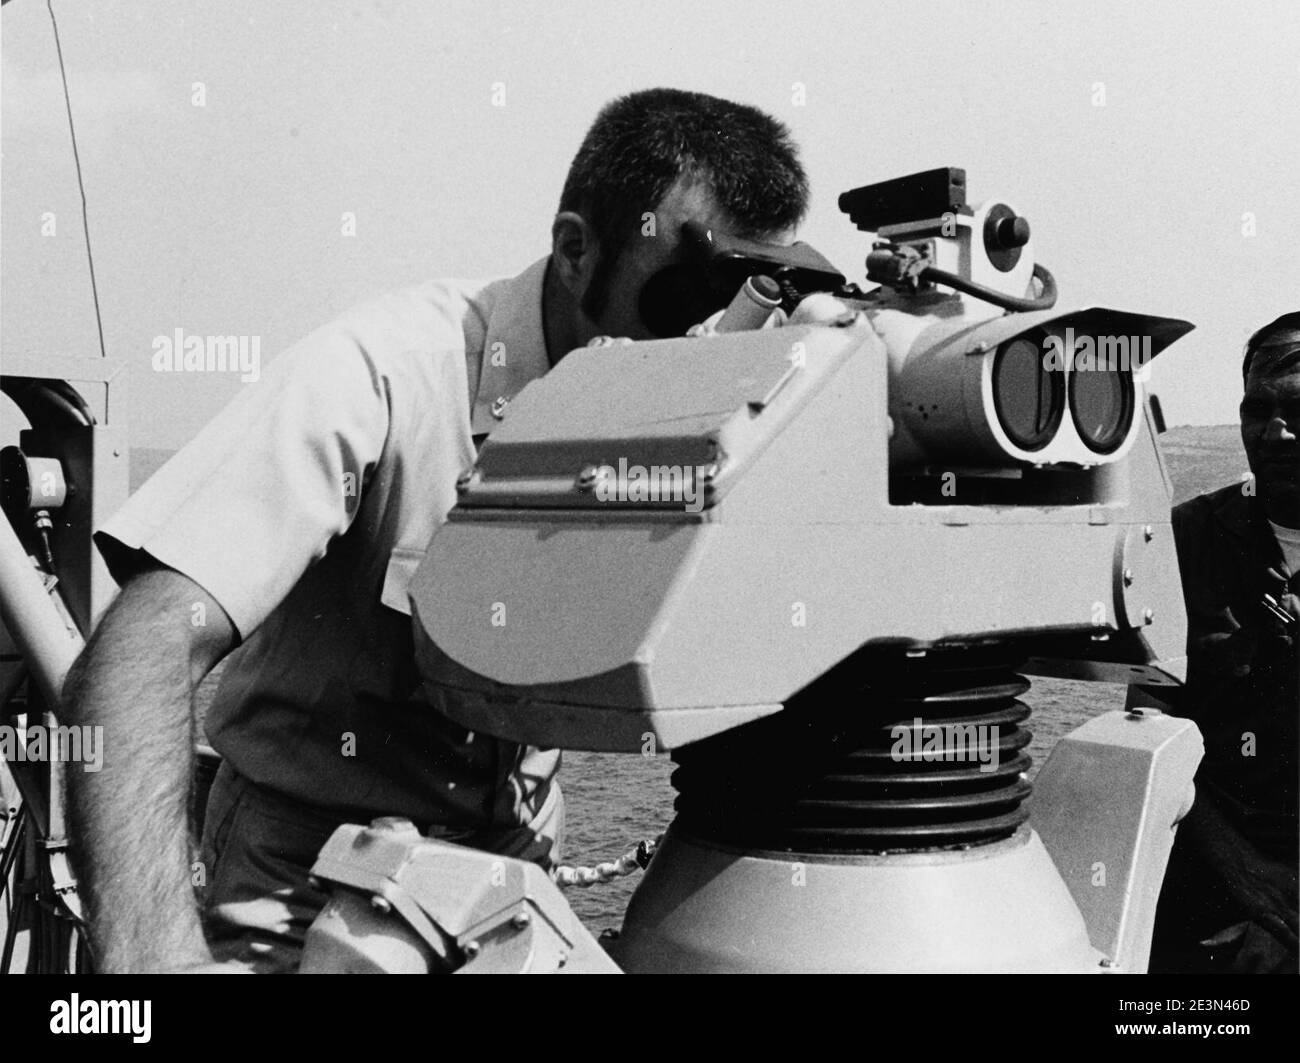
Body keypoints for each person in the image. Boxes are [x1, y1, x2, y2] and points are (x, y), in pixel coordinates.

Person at [60, 87, 810, 973]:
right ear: (577, 248)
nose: (704, 330)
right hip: (311, 890)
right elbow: (138, 651)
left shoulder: (681, 402)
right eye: (682, 287)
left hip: (509, 892)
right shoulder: (380, 379)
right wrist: (154, 964)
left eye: (740, 294)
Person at [1148, 312, 1300, 973]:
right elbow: (1149, 732)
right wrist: (1246, 875)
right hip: (1209, 885)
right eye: (1257, 408)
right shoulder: (1190, 538)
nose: (1275, 432)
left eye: (1297, 409)